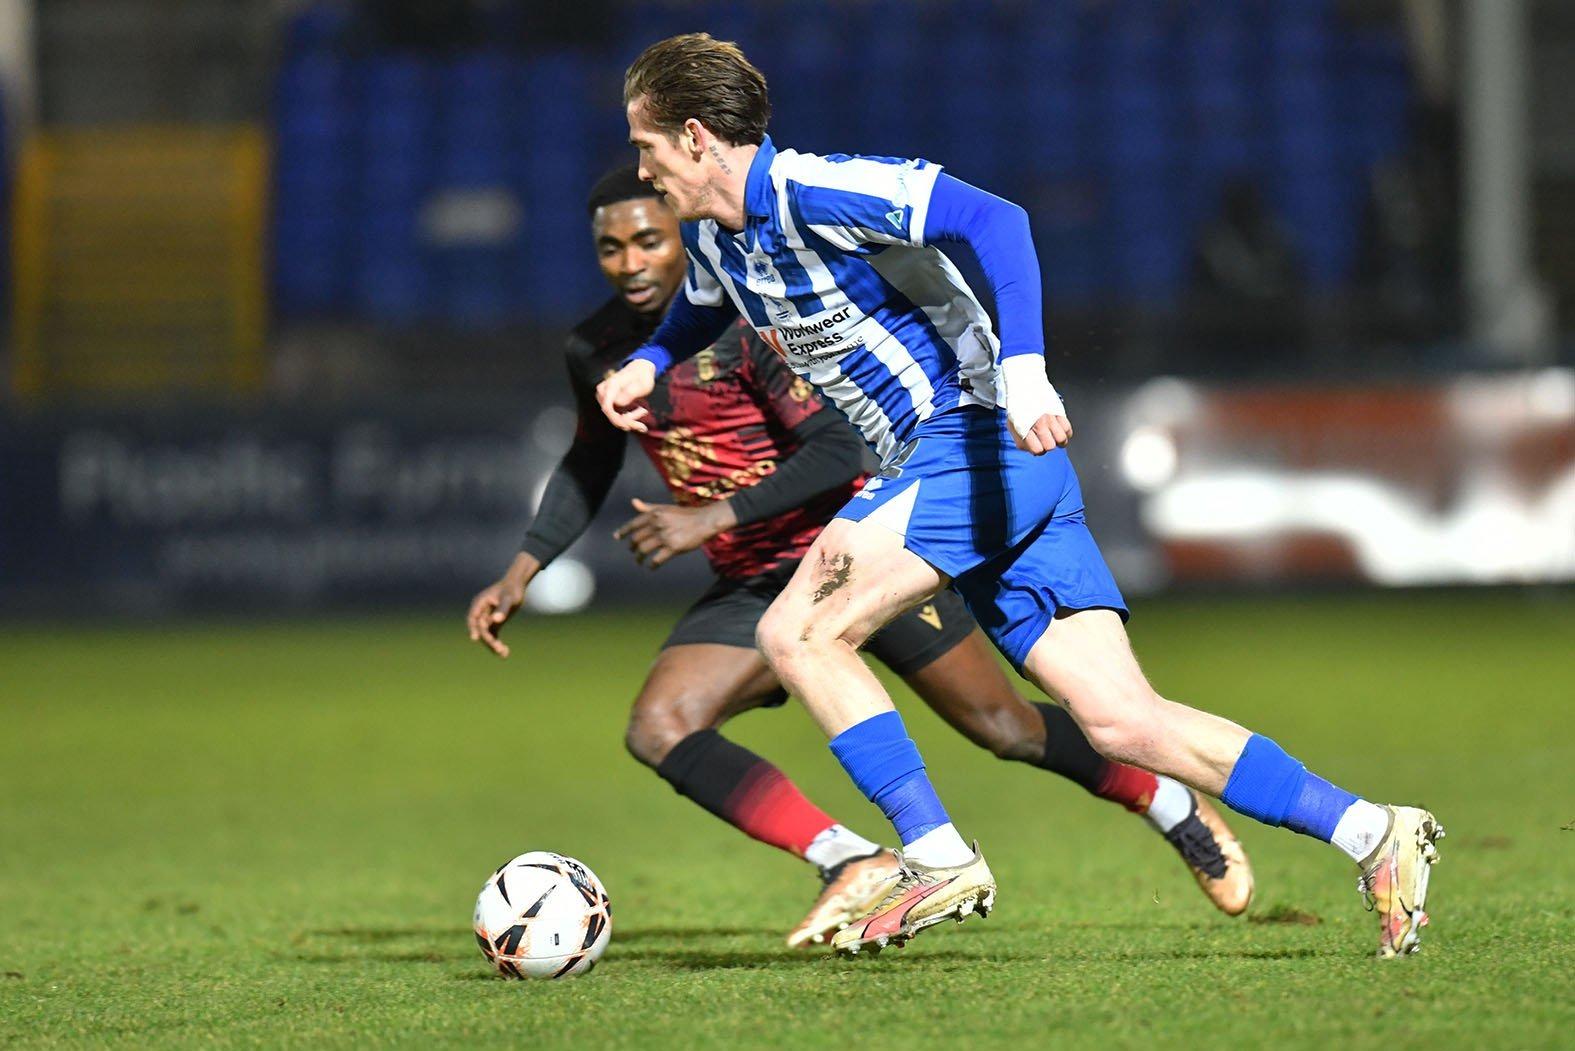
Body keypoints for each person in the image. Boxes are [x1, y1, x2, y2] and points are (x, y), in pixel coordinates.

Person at [595, 34, 1442, 959]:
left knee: (797, 630)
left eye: (644, 146)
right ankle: (1374, 831)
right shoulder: (720, 235)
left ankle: (935, 853)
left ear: (692, 137)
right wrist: (648, 361)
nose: (639, 166)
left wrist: (1027, 371)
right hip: (985, 473)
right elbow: (704, 305)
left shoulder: (815, 189)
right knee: (1123, 721)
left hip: (970, 435)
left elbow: (995, 220)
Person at [468, 165, 1254, 949]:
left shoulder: (752, 321)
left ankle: (1167, 802)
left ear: (684, 231)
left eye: (648, 239)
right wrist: (524, 566)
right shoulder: (597, 348)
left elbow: (838, 444)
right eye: (611, 247)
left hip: (862, 549)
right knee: (660, 725)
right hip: (755, 581)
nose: (631, 261)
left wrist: (711, 513)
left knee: (1003, 726)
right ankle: (849, 859)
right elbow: (588, 458)